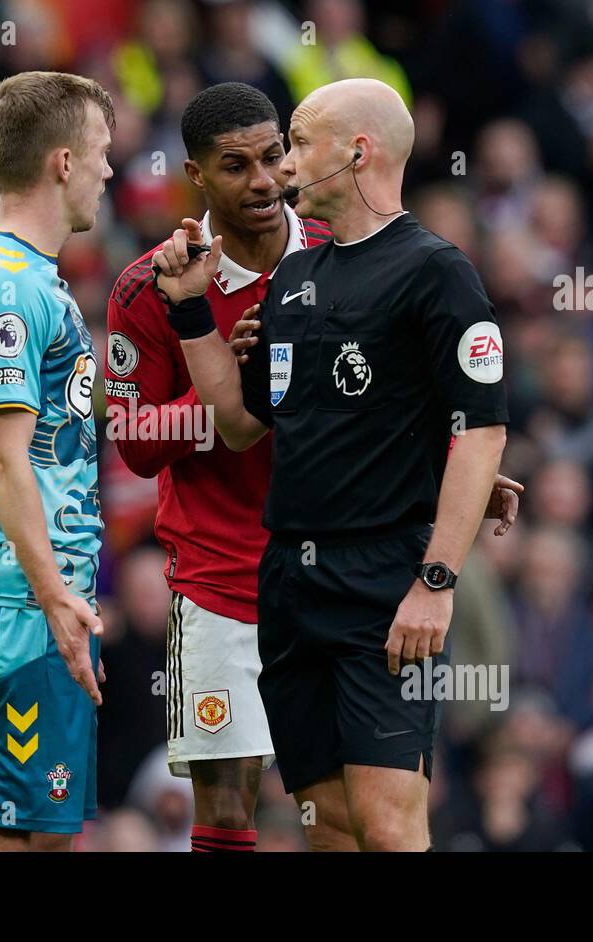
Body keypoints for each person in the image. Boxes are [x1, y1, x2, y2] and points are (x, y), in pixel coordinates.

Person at [106, 82, 521, 852]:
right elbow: (218, 426)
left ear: (355, 153)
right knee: (302, 819)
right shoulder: (222, 286)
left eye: (286, 150)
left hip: (379, 577)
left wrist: (441, 527)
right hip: (251, 580)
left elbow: (471, 423)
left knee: (388, 822)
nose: (274, 175)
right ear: (197, 175)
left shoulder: (420, 268)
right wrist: (194, 316)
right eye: (243, 164)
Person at [0, 71, 113, 852]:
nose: (111, 171)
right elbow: (2, 460)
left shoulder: (31, 278)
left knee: (39, 838)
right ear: (64, 162)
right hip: (19, 605)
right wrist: (50, 596)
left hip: (41, 602)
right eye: (103, 153)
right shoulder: (5, 290)